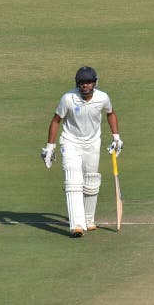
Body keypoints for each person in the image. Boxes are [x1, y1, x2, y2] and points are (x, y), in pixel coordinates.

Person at [40, 66, 124, 238]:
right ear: (77, 84)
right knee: (73, 180)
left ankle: (88, 219)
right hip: (70, 142)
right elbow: (57, 120)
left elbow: (111, 113)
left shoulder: (102, 98)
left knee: (91, 180)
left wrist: (116, 138)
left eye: (89, 82)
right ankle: (76, 225)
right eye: (82, 83)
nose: (85, 86)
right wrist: (50, 146)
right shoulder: (68, 99)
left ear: (95, 83)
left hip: (92, 143)